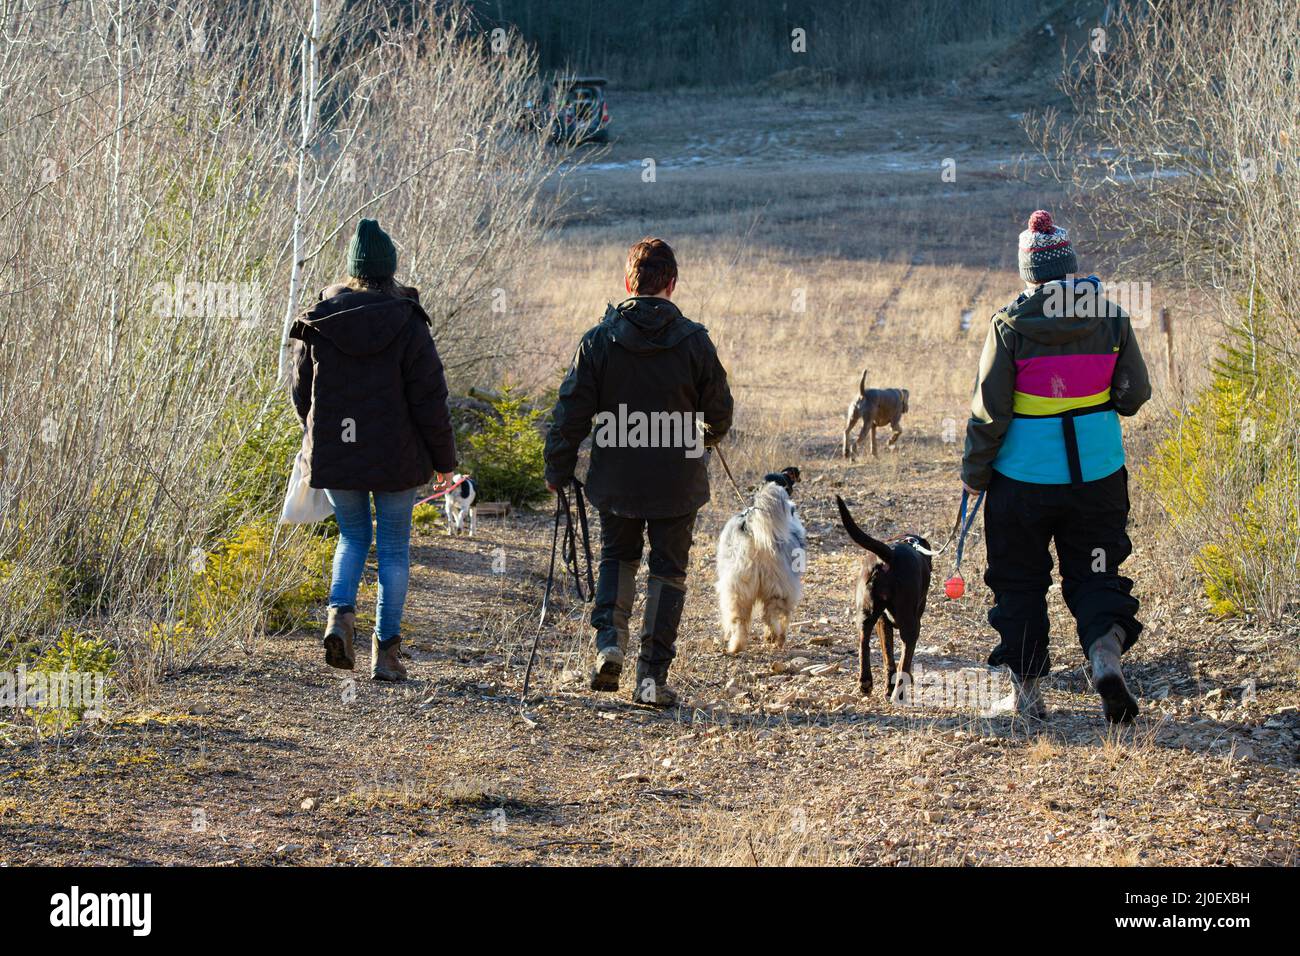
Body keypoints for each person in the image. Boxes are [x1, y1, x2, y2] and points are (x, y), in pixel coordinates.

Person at [961, 210, 1151, 723]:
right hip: (1098, 480)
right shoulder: (1111, 317)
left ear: (1029, 272)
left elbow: (989, 412)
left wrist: (975, 475)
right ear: (1069, 266)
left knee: (1020, 581)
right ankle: (1104, 658)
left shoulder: (1008, 326)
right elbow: (1136, 395)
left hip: (1023, 484)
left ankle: (1027, 697)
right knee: (1096, 574)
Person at [544, 237, 734, 707]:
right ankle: (650, 681)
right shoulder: (695, 341)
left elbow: (571, 413)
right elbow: (721, 413)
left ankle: (609, 642)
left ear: (628, 282)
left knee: (618, 556)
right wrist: (696, 442)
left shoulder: (598, 340)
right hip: (677, 480)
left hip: (618, 477)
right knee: (669, 571)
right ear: (671, 284)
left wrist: (558, 468)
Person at [289, 219, 456, 681]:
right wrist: (444, 461)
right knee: (395, 549)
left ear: (353, 270)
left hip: (339, 454)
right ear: (391, 270)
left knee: (353, 536)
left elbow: (303, 394)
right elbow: (430, 400)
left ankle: (339, 621)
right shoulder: (408, 321)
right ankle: (386, 655)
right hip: (397, 459)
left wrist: (317, 436)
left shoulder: (321, 320)